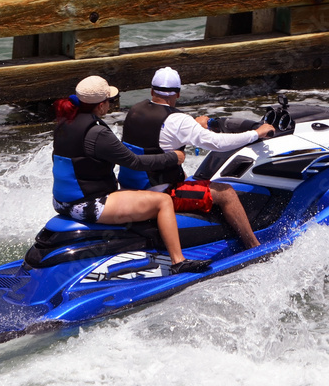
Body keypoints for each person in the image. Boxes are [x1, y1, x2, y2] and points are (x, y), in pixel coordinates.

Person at [51, 75, 210, 274]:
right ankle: (178, 262)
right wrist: (173, 157)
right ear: (100, 105)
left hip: (61, 203)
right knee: (162, 202)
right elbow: (134, 162)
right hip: (86, 206)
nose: (110, 104)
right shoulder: (97, 133)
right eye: (109, 101)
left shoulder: (64, 124)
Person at [118, 67, 274, 249]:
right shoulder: (179, 121)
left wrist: (192, 124)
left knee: (183, 174)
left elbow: (161, 133)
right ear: (178, 93)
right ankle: (253, 246)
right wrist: (256, 133)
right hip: (160, 193)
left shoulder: (135, 110)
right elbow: (218, 143)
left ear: (152, 91)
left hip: (131, 186)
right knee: (227, 193)